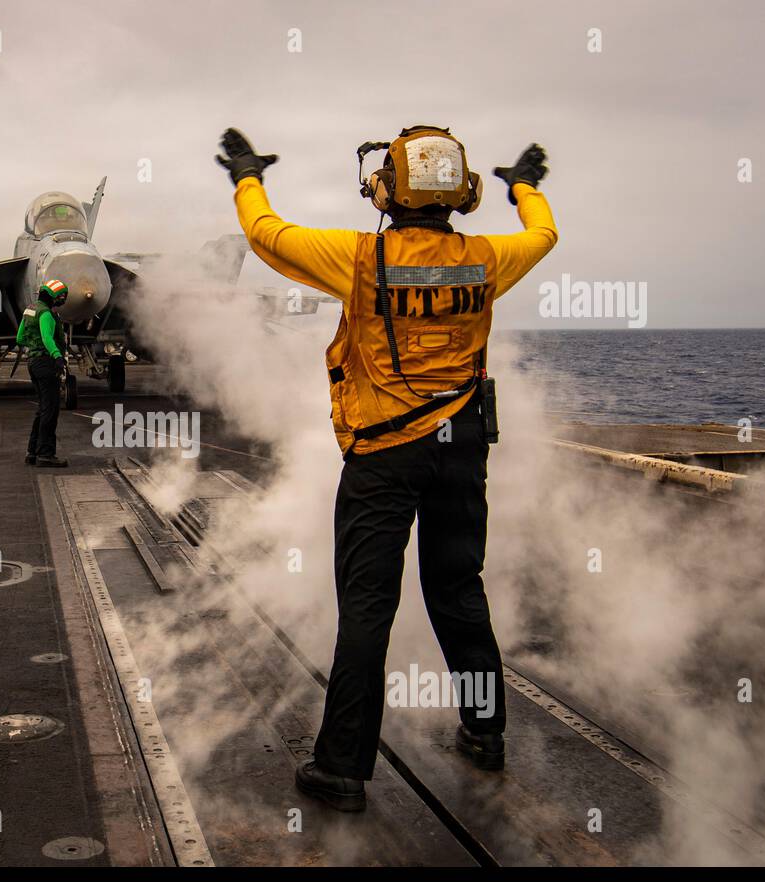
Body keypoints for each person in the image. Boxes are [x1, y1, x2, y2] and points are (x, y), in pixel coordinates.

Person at [216, 126, 557, 811]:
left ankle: (343, 769)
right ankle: (486, 733)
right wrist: (525, 189)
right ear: (463, 195)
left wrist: (247, 177)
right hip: (462, 449)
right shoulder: (489, 259)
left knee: (369, 607)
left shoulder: (358, 258)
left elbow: (265, 234)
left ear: (385, 190)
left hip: (382, 455)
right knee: (459, 591)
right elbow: (544, 236)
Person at [18, 279, 69, 467]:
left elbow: (19, 337)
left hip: (33, 363)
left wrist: (33, 348)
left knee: (42, 409)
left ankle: (32, 452)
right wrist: (56, 356)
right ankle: (45, 455)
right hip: (46, 364)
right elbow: (48, 338)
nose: (63, 300)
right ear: (55, 297)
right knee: (51, 410)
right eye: (62, 297)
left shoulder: (30, 310)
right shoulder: (46, 314)